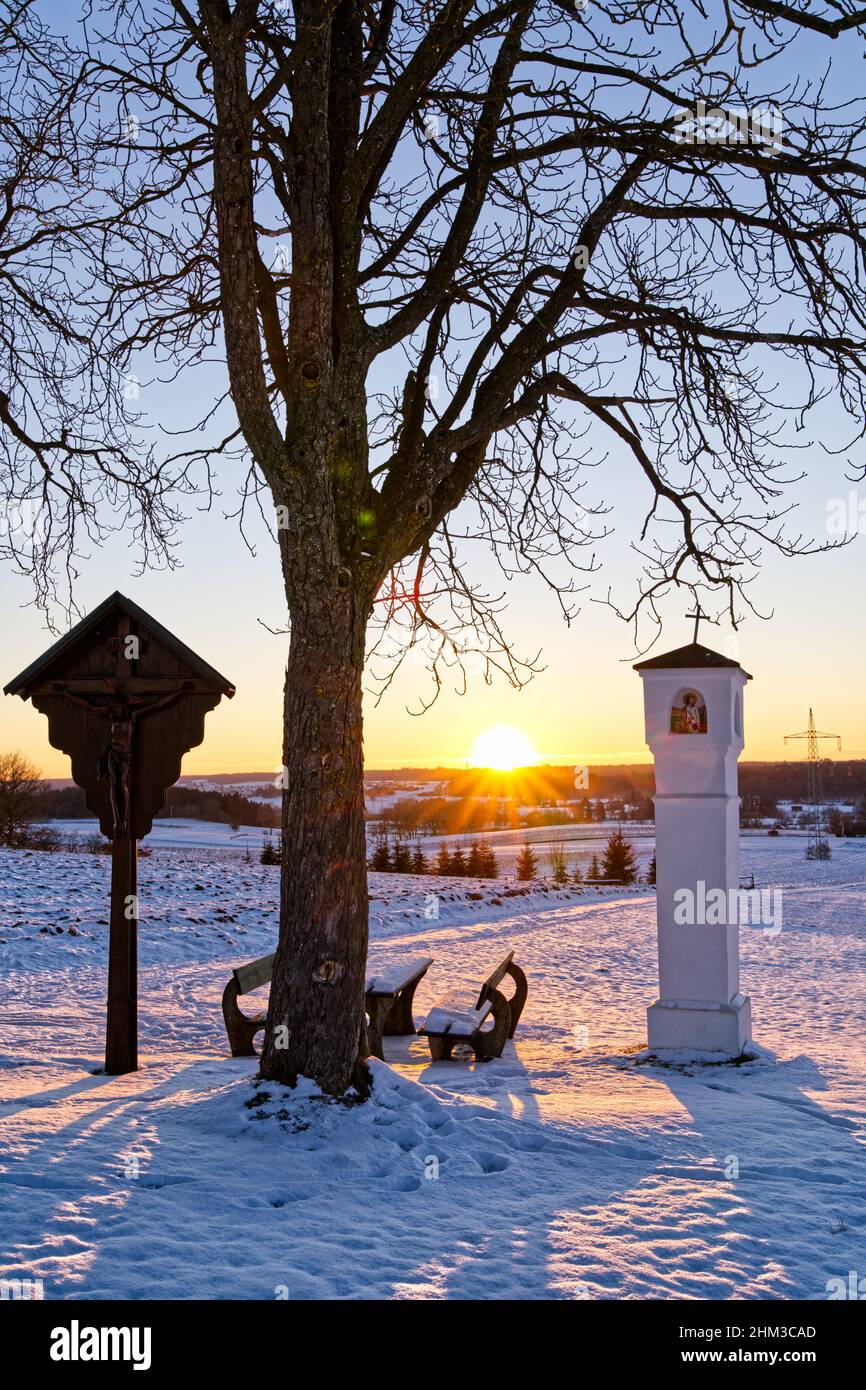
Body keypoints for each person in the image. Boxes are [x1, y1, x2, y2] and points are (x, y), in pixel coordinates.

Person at [54, 681, 191, 836]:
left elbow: (158, 705)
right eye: (115, 706)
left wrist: (180, 692)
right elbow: (86, 705)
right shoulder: (111, 717)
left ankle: (123, 819)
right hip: (113, 754)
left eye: (119, 706)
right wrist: (65, 693)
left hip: (125, 756)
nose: (117, 708)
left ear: (124, 706)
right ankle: (117, 820)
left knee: (122, 784)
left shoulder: (132, 716)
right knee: (113, 785)